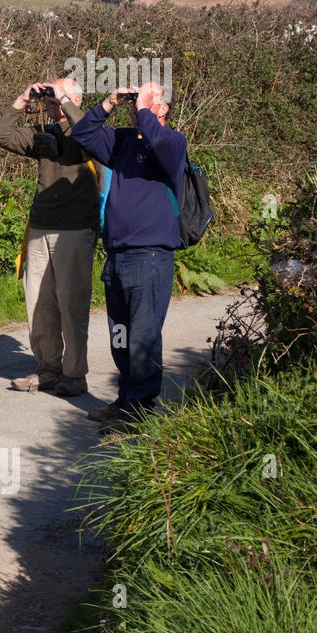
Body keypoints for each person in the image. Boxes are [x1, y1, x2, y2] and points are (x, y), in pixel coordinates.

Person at [70, 81, 188, 428]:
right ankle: (126, 400)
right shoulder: (122, 141)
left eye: (146, 97)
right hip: (118, 254)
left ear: (163, 108)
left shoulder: (173, 143)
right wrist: (108, 104)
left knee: (144, 335)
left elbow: (160, 141)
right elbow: (83, 135)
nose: (136, 103)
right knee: (120, 334)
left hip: (150, 256)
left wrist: (145, 109)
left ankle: (141, 410)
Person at [0, 78, 97, 397]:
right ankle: (49, 369)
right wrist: (23, 100)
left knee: (71, 303)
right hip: (40, 227)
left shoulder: (87, 132)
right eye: (48, 100)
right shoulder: (43, 135)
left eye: (57, 100)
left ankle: (75, 375)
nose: (51, 105)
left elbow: (90, 137)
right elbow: (1, 135)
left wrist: (64, 102)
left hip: (75, 230)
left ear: (74, 100)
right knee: (38, 303)